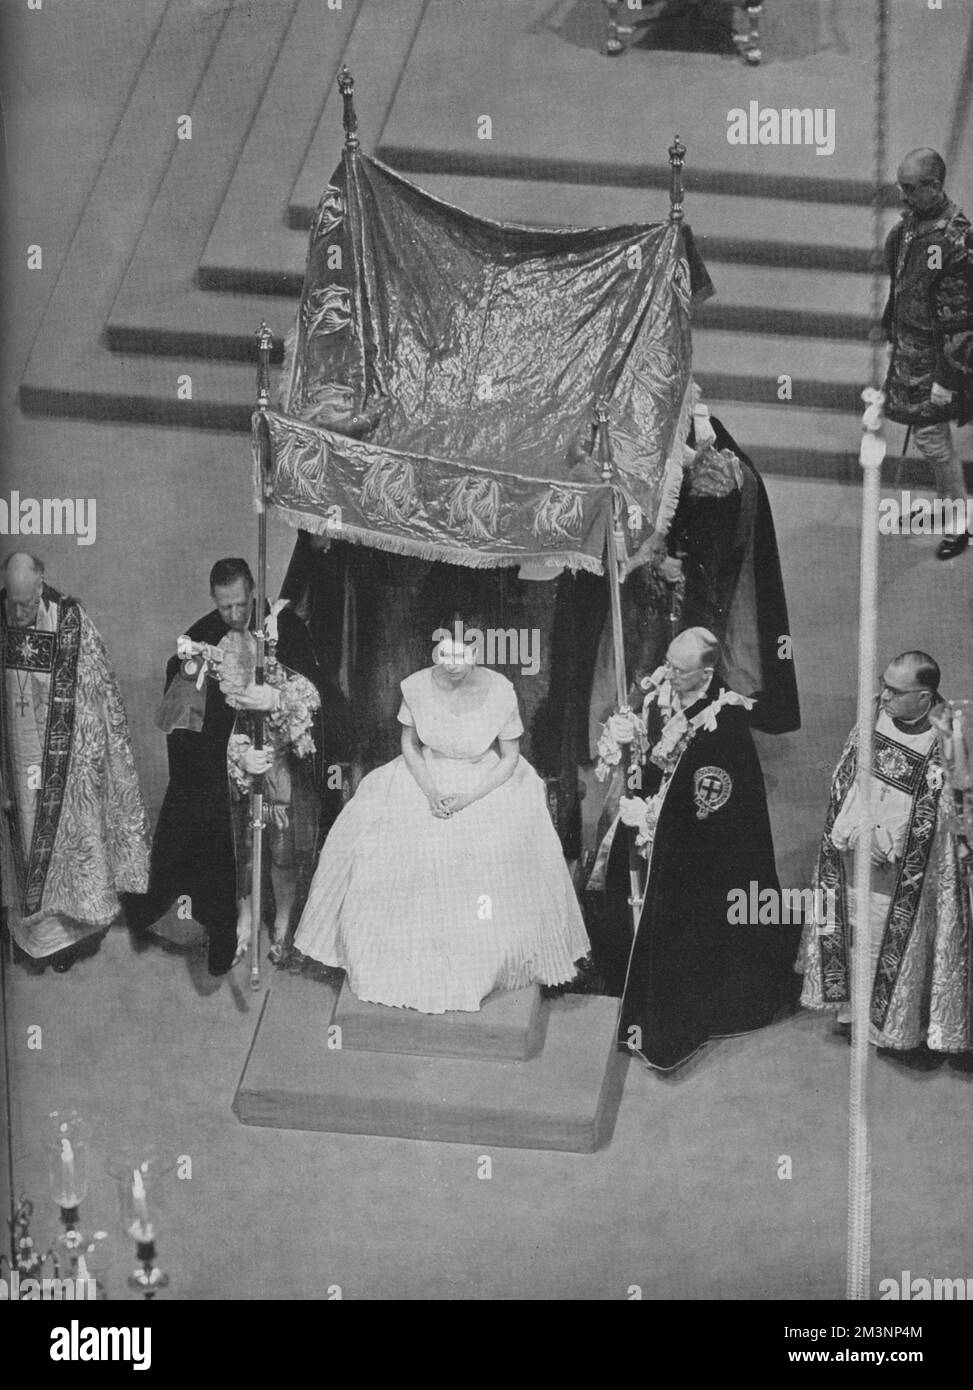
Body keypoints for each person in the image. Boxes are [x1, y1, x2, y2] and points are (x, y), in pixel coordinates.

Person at [292, 619, 590, 1013]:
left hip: (488, 779)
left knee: (492, 850)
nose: (452, 664)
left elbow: (510, 757)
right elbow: (409, 745)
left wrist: (468, 798)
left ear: (477, 652)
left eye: (462, 655)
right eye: (445, 654)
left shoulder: (500, 690)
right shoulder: (416, 685)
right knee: (386, 845)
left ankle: (486, 962)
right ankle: (394, 962)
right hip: (424, 775)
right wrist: (431, 790)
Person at [125, 558, 350, 976]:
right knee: (234, 846)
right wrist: (232, 754)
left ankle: (282, 921)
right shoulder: (199, 640)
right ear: (215, 599)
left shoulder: (284, 628)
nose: (235, 615)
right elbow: (185, 730)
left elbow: (323, 700)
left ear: (252, 592)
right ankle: (233, 922)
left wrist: (277, 701)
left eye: (243, 604)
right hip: (229, 769)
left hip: (281, 761)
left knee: (282, 847)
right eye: (226, 606)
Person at [590, 626, 799, 1069]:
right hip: (647, 814)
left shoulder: (724, 719)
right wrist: (625, 737)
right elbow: (640, 758)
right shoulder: (657, 692)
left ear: (706, 672)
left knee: (684, 923)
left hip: (697, 844)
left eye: (680, 670)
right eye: (667, 661)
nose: (668, 672)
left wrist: (651, 819)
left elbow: (710, 798)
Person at [799, 651, 972, 1055]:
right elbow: (848, 781)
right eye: (883, 684)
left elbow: (949, 809)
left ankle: (900, 1026)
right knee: (859, 936)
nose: (884, 696)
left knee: (894, 941)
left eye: (895, 690)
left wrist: (892, 841)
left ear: (925, 698)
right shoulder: (873, 718)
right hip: (859, 854)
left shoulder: (950, 735)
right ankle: (854, 1014)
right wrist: (861, 830)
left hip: (909, 874)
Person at [0, 552, 149, 971]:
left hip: (63, 768)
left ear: (42, 584)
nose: (18, 611)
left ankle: (66, 945)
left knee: (64, 856)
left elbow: (99, 696)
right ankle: (30, 940)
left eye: (26, 602)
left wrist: (85, 757)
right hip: (13, 764)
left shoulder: (71, 623)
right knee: (22, 848)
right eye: (12, 601)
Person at [883, 148, 973, 560]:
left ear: (934, 186)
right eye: (900, 186)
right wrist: (892, 328)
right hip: (908, 354)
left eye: (910, 188)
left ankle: (959, 524)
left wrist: (947, 379)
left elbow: (961, 321)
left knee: (934, 442)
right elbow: (901, 285)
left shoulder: (957, 239)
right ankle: (950, 509)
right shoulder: (909, 229)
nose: (902, 196)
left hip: (936, 363)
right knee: (928, 440)